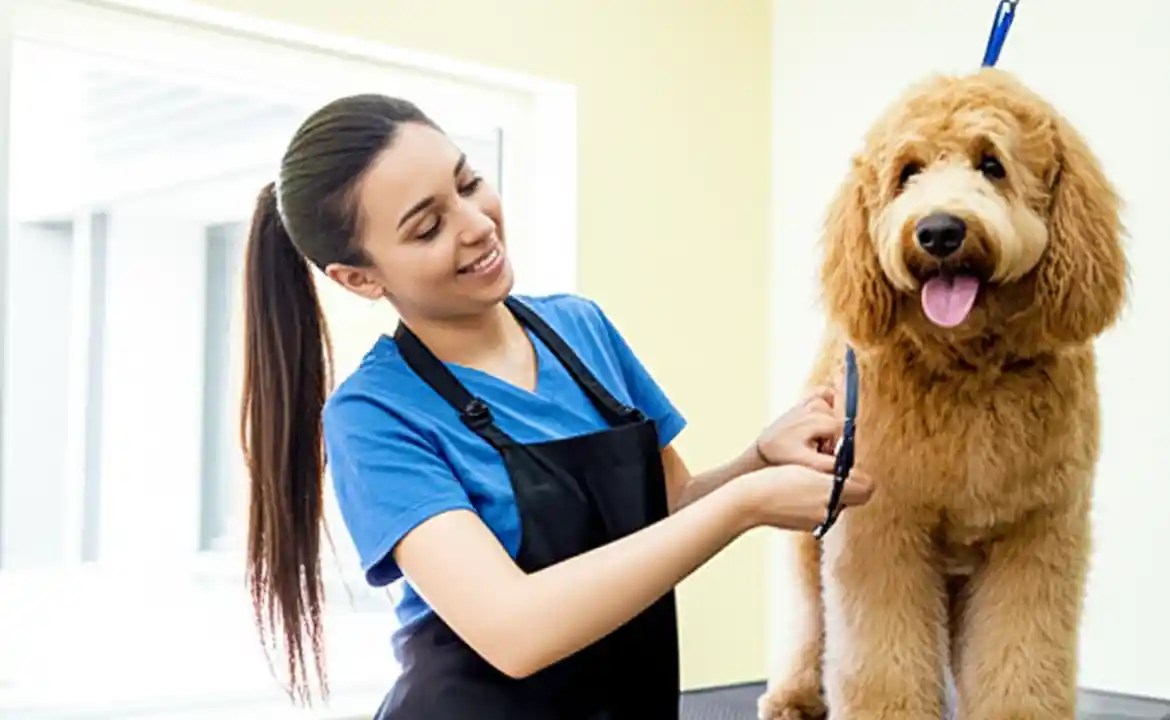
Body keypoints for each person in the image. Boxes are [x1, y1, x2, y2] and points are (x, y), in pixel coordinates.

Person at [238, 93, 874, 720]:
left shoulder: (581, 329)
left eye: (469, 183)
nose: (477, 224)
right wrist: (746, 505)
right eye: (428, 226)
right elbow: (515, 631)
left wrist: (757, 463)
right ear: (359, 277)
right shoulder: (375, 415)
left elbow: (669, 508)